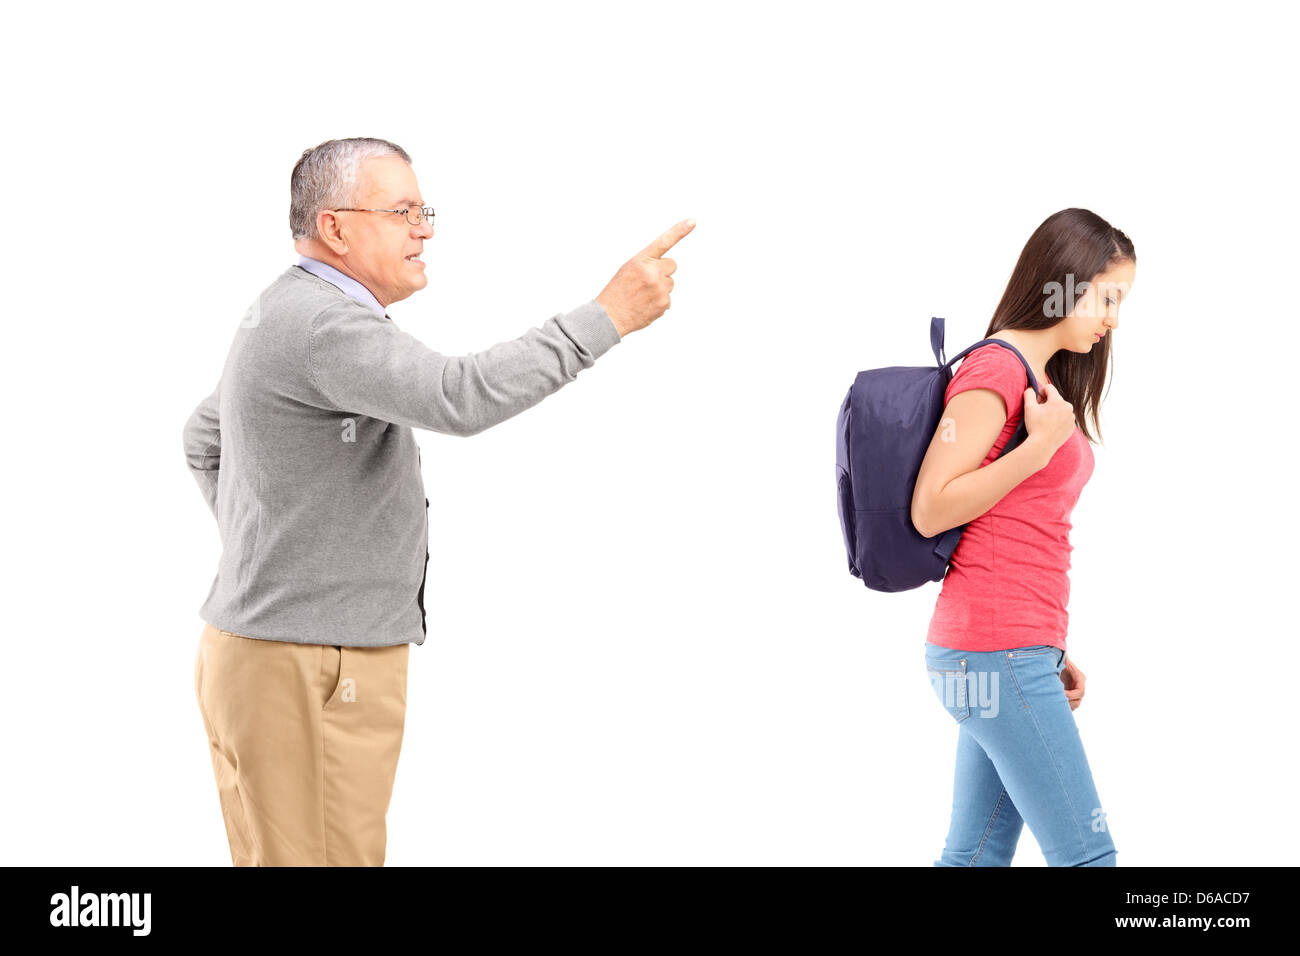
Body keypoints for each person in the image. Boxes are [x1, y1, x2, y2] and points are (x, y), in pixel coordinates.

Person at [182, 136, 694, 866]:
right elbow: (460, 398)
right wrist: (608, 314)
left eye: (423, 210)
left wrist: (274, 559)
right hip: (309, 661)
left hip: (269, 655)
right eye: (401, 211)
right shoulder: (325, 324)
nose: (423, 228)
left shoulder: (286, 309)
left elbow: (205, 435)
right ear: (335, 227)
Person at [910, 208, 1135, 866]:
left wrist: (1045, 648)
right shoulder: (996, 371)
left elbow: (1018, 527)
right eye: (1109, 298)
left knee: (975, 856)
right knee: (1089, 858)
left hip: (1003, 652)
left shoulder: (1034, 380)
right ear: (1066, 282)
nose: (1113, 319)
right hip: (994, 653)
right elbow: (932, 508)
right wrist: (1038, 450)